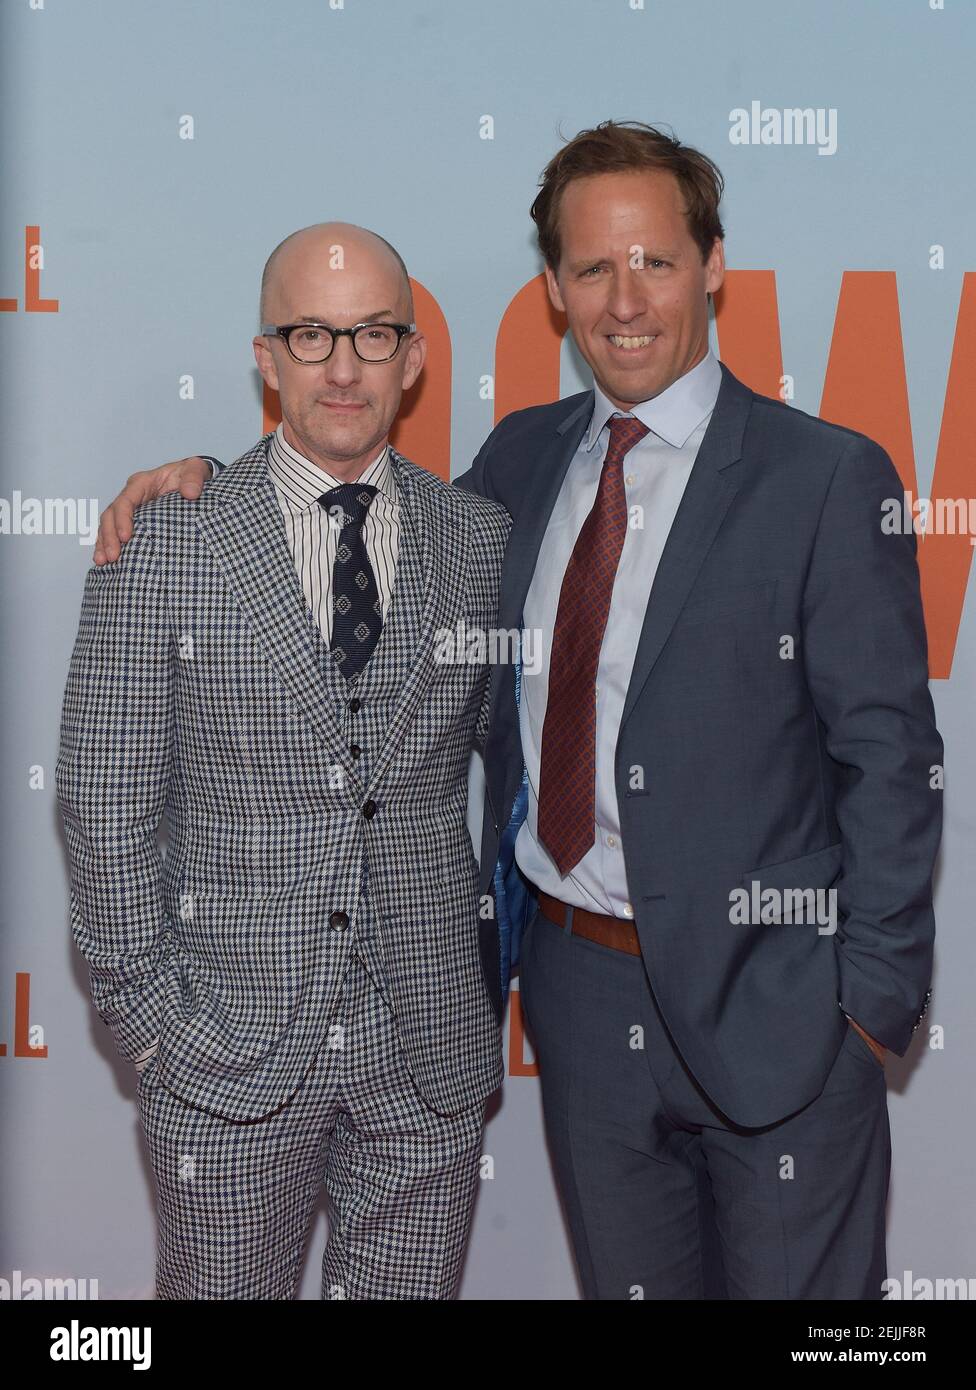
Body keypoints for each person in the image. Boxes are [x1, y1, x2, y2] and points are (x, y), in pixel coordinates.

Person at [94, 122, 943, 1301]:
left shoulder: (825, 475)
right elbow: (334, 499)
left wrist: (868, 1012)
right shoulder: (518, 469)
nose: (624, 298)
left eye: (652, 259)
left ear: (713, 266)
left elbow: (892, 758)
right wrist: (202, 477)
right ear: (552, 290)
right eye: (592, 268)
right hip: (580, 1000)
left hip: (782, 1011)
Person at [57, 222, 512, 1300]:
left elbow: (504, 752)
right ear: (265, 358)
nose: (343, 366)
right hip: (221, 1054)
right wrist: (154, 1032)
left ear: (414, 358)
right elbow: (102, 810)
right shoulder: (164, 539)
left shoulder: (480, 537)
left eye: (371, 334)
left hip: (428, 1054)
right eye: (311, 333)